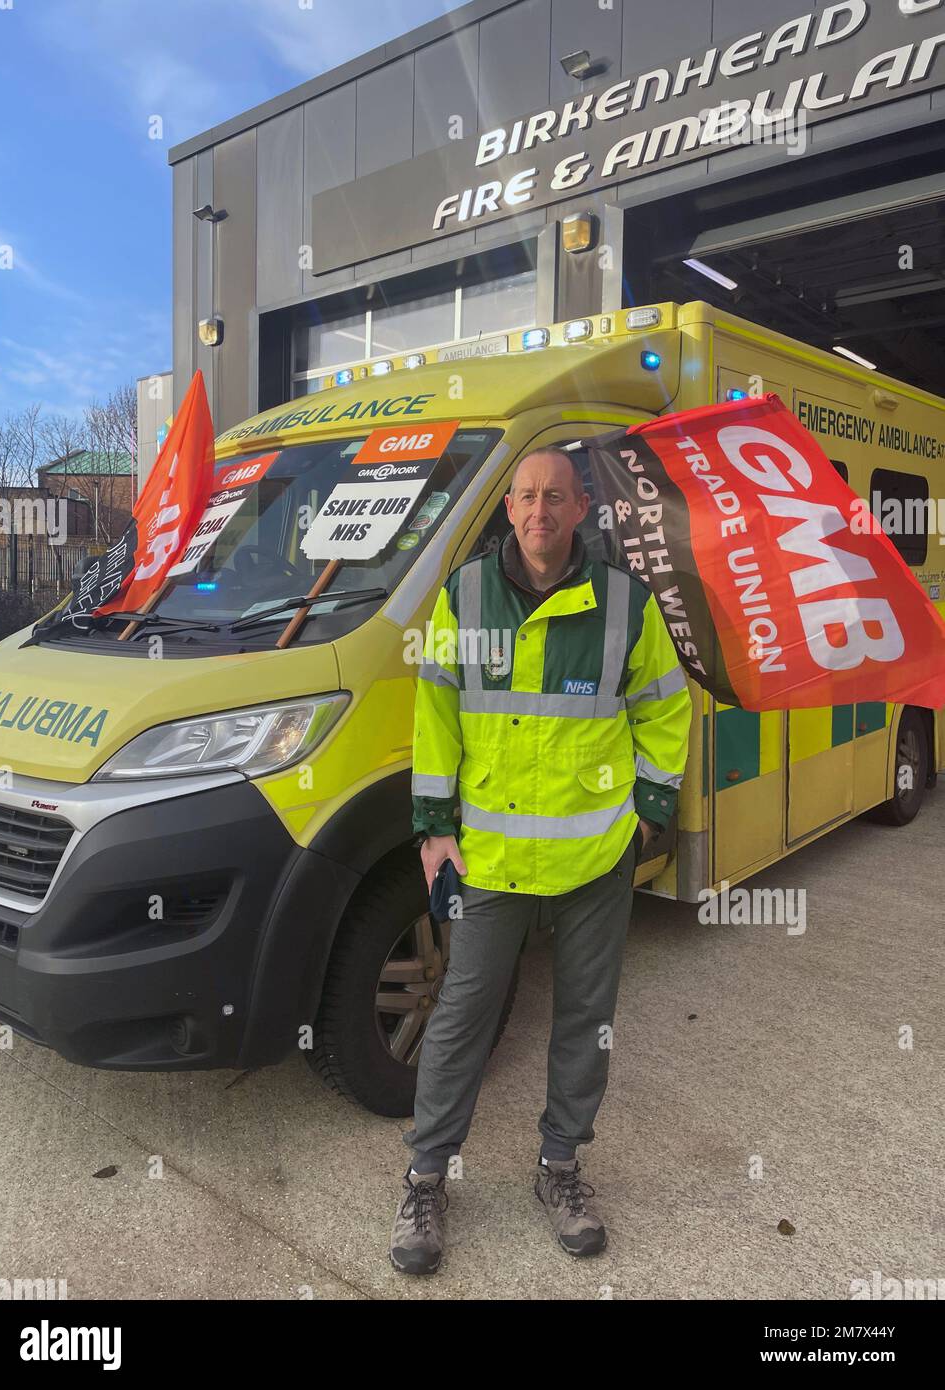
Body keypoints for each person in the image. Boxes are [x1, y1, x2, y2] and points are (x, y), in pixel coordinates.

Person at [388, 448, 692, 1275]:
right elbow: (437, 709)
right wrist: (432, 824)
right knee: (459, 1021)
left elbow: (665, 706)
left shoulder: (626, 603)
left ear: (580, 507)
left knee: (585, 1022)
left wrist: (649, 811)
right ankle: (425, 1177)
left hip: (593, 859)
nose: (537, 511)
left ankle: (560, 1167)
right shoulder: (467, 593)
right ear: (510, 509)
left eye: (553, 496)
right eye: (524, 496)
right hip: (487, 860)